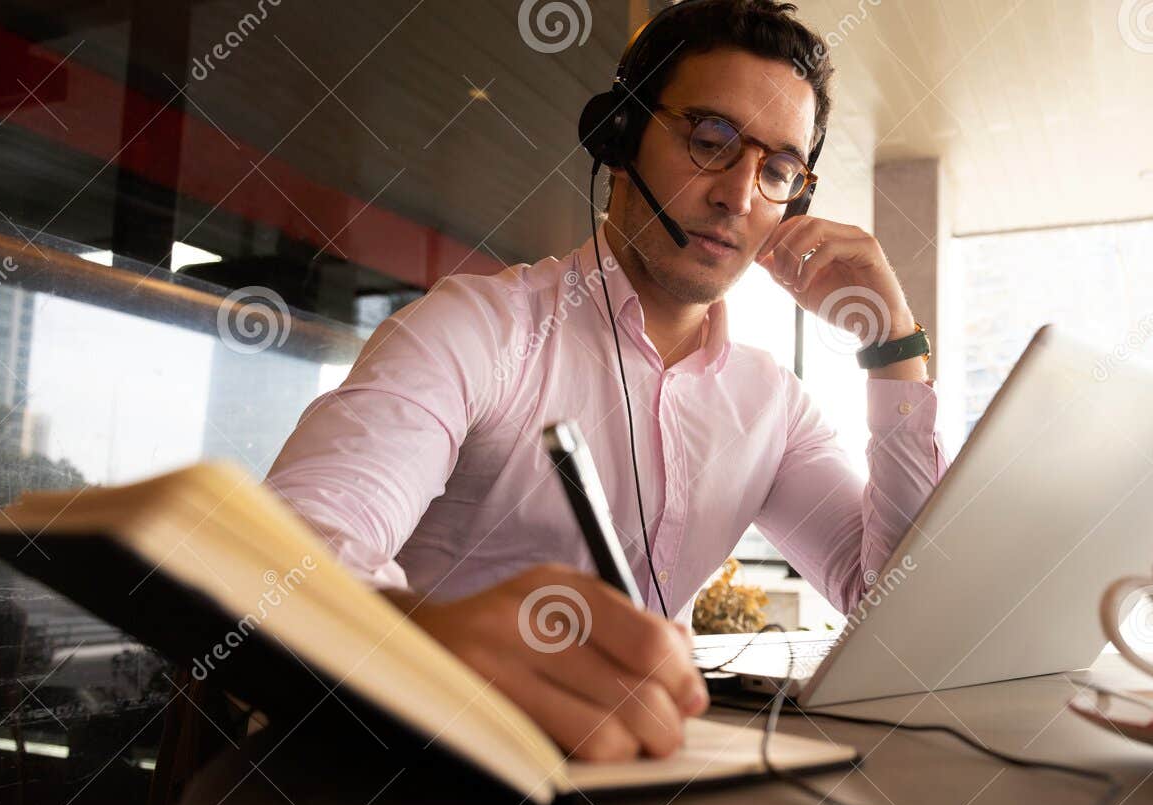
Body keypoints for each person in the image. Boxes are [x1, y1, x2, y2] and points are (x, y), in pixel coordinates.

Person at [264, 0, 946, 763]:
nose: (741, 196)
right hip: (422, 779)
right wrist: (427, 643)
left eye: (778, 170)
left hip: (647, 786)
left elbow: (900, 612)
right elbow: (280, 558)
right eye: (710, 141)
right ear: (619, 137)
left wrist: (893, 346)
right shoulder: (478, 332)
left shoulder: (772, 407)